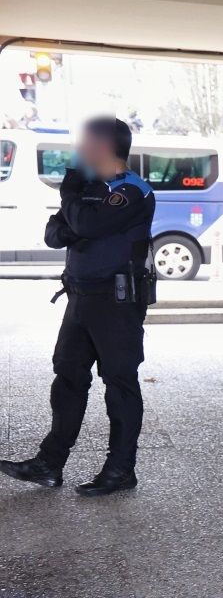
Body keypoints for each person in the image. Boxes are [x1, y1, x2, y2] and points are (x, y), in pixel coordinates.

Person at [0, 117, 155, 496]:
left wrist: (74, 207)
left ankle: (121, 470)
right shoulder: (88, 188)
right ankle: (49, 464)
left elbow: (83, 225)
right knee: (68, 379)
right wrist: (79, 214)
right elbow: (54, 234)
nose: (78, 150)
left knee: (119, 383)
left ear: (104, 146)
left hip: (116, 303)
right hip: (80, 298)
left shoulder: (132, 190)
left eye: (84, 142)